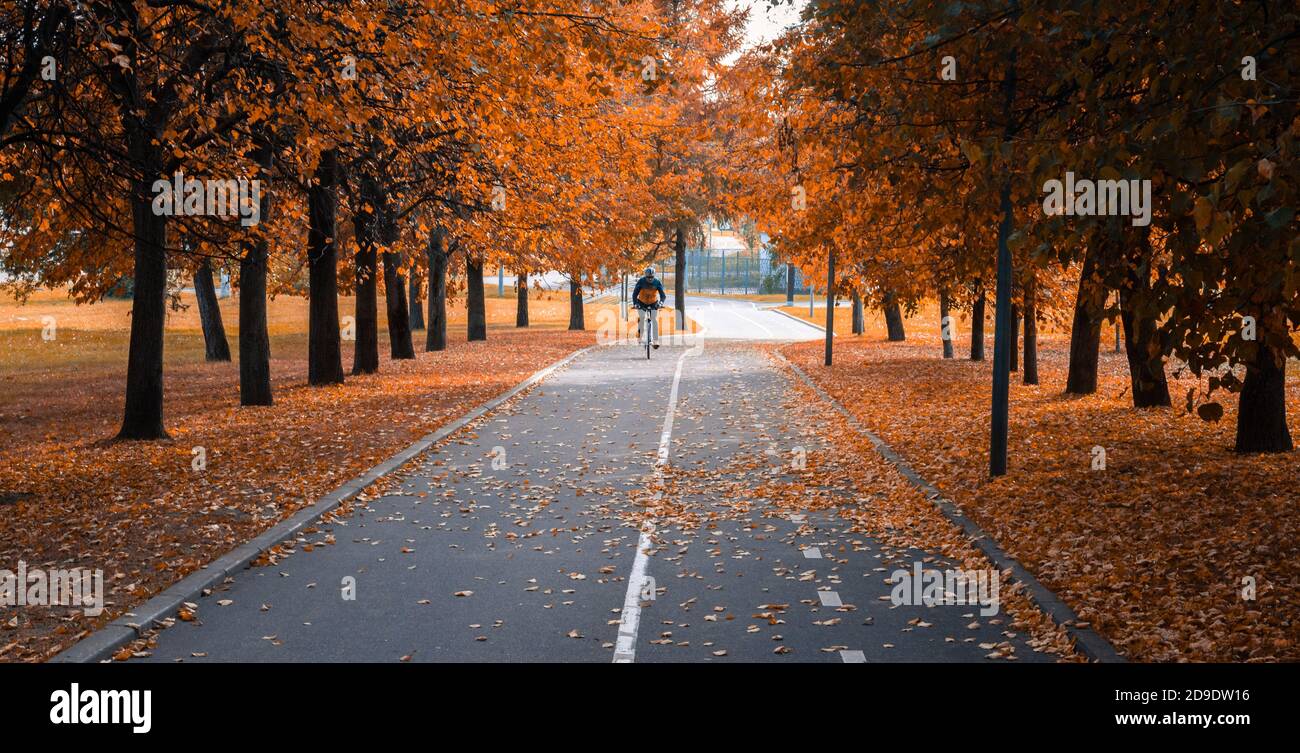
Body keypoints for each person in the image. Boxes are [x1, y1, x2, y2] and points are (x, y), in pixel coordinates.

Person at [632, 267, 665, 349]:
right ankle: (640, 333)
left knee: (654, 319)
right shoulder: (641, 281)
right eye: (648, 277)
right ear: (645, 276)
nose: (650, 279)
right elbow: (634, 294)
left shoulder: (657, 282)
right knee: (642, 317)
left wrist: (661, 303)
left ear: (654, 276)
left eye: (651, 277)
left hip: (653, 302)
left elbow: (662, 295)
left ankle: (656, 340)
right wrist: (635, 303)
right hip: (641, 302)